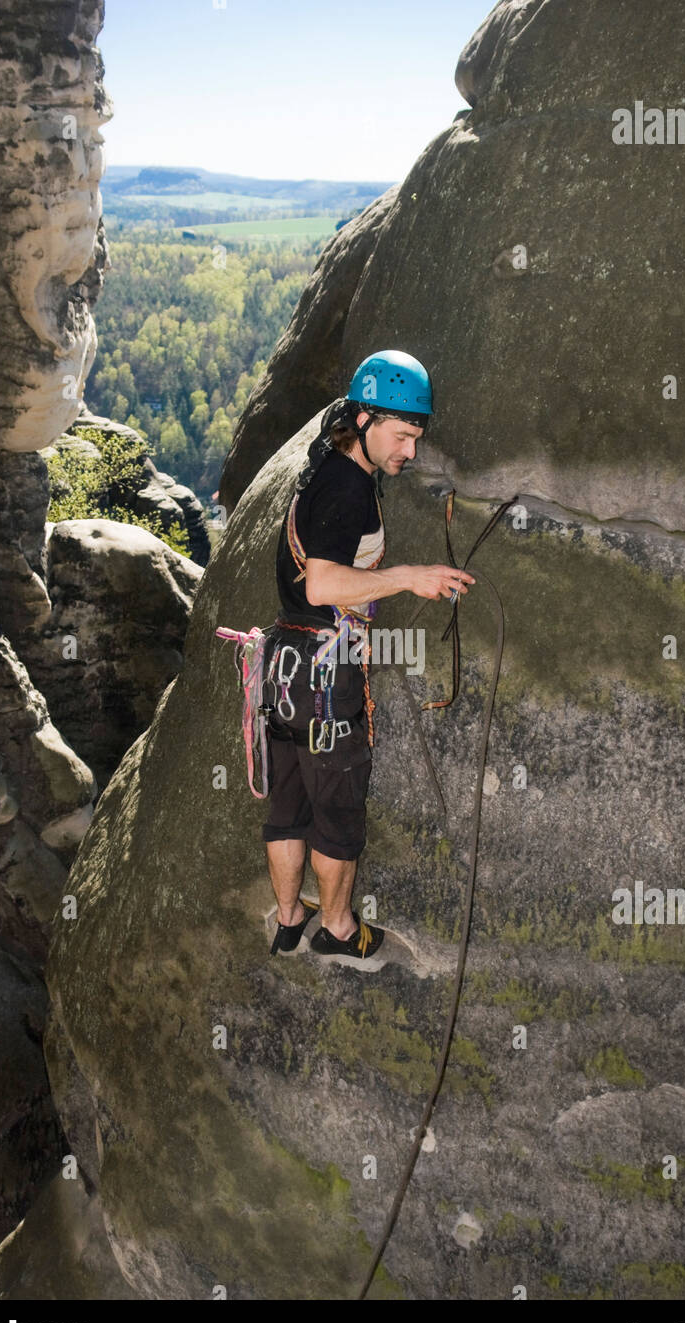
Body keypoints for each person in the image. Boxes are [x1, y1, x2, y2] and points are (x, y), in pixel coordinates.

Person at [262, 349, 475, 958]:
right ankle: (336, 929)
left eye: (416, 438)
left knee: (288, 805)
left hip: (283, 669)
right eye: (403, 435)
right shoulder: (347, 487)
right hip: (326, 677)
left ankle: (286, 918)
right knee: (337, 815)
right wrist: (410, 576)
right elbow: (323, 585)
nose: (410, 450)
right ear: (364, 419)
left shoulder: (325, 467)